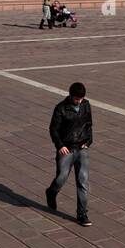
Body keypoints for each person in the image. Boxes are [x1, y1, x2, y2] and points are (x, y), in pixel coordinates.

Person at [46, 82, 93, 226]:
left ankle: (82, 214)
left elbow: (89, 124)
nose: (79, 101)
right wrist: (59, 145)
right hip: (66, 149)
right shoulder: (61, 108)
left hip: (82, 148)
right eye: (76, 99)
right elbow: (53, 129)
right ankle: (51, 192)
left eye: (81, 98)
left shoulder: (86, 105)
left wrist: (89, 141)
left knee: (83, 181)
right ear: (70, 95)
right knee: (61, 178)